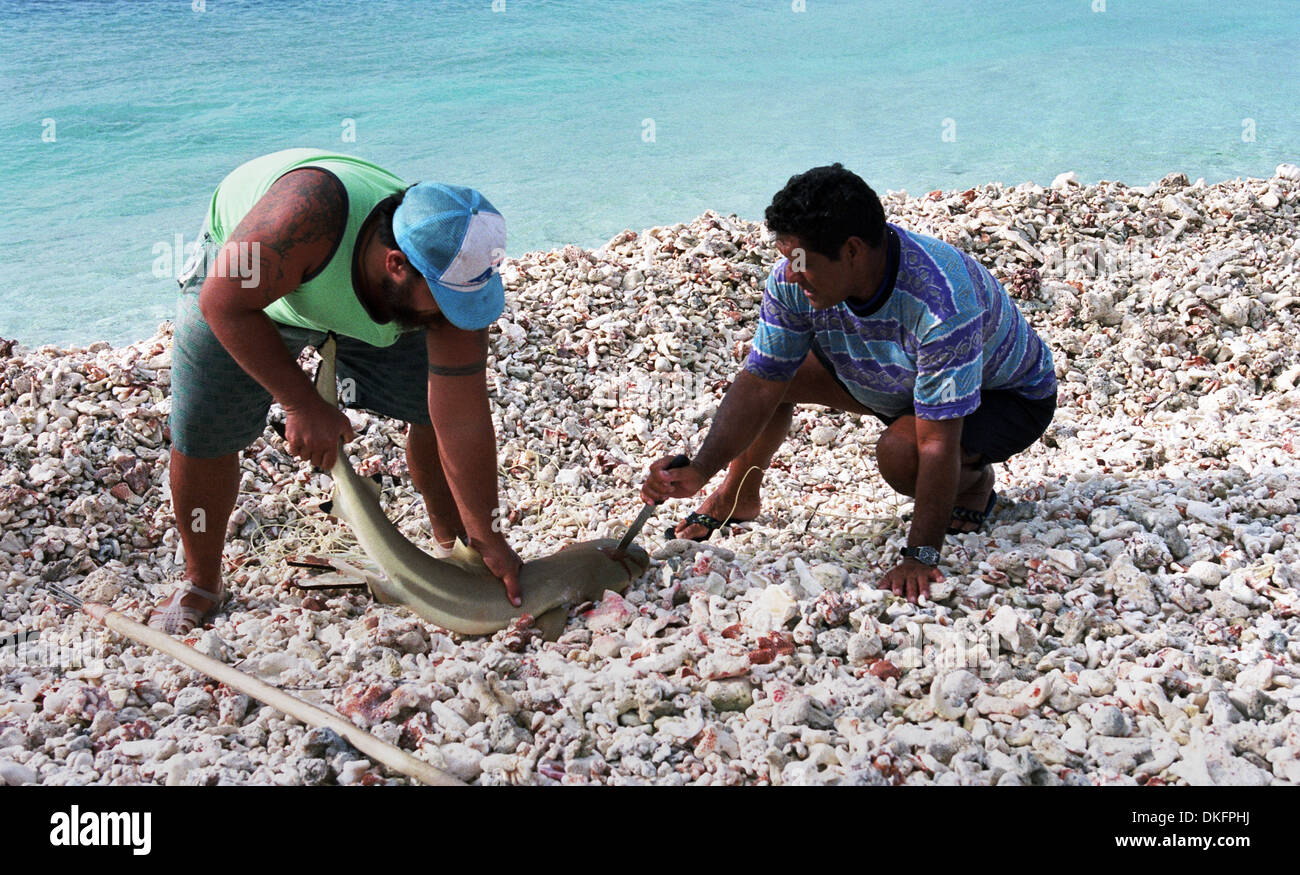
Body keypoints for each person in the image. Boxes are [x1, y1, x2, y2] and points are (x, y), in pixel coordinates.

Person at [641, 164, 1057, 603]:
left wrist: (920, 554)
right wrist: (701, 468)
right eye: (787, 258)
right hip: (900, 378)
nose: (790, 275)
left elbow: (935, 444)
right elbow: (761, 381)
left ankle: (973, 484)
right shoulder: (793, 278)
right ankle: (737, 496)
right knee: (780, 376)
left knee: (902, 452)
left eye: (802, 263)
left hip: (1005, 397)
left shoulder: (941, 302)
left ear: (854, 250)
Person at [149, 148, 522, 634]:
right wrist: (300, 402)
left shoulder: (451, 282)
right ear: (396, 264)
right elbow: (223, 304)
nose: (457, 315)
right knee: (203, 435)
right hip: (246, 296)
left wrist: (488, 533)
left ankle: (455, 548)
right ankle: (201, 581)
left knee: (429, 414)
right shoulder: (302, 217)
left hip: (373, 302)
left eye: (466, 300)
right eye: (448, 302)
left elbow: (462, 418)